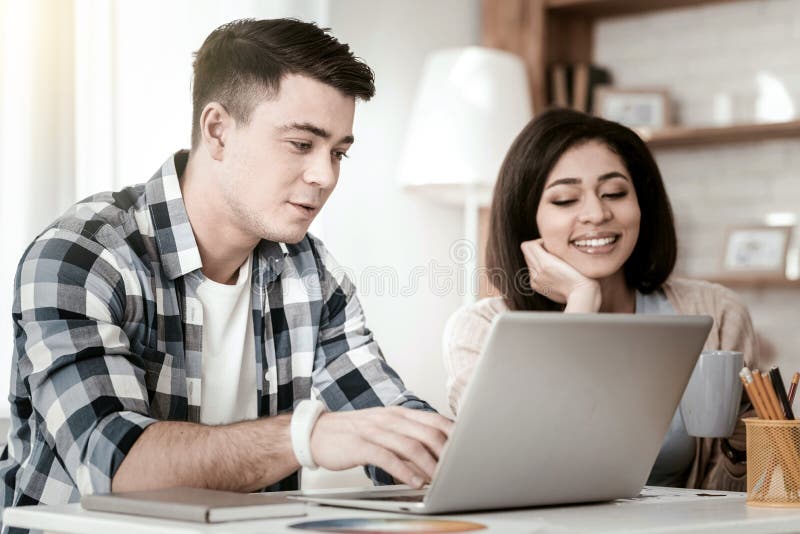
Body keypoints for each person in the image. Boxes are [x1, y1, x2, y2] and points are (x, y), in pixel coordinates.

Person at [0, 18, 452, 519]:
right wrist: (308, 436)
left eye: (338, 152)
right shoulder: (82, 256)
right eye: (302, 144)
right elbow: (113, 465)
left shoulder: (313, 277)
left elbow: (386, 423)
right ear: (217, 130)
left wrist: (454, 450)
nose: (325, 176)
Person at [443, 108, 760, 491]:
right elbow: (507, 471)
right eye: (564, 200)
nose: (596, 213)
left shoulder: (717, 313)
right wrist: (581, 301)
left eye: (614, 193)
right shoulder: (480, 331)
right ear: (528, 219)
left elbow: (729, 502)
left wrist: (742, 455)